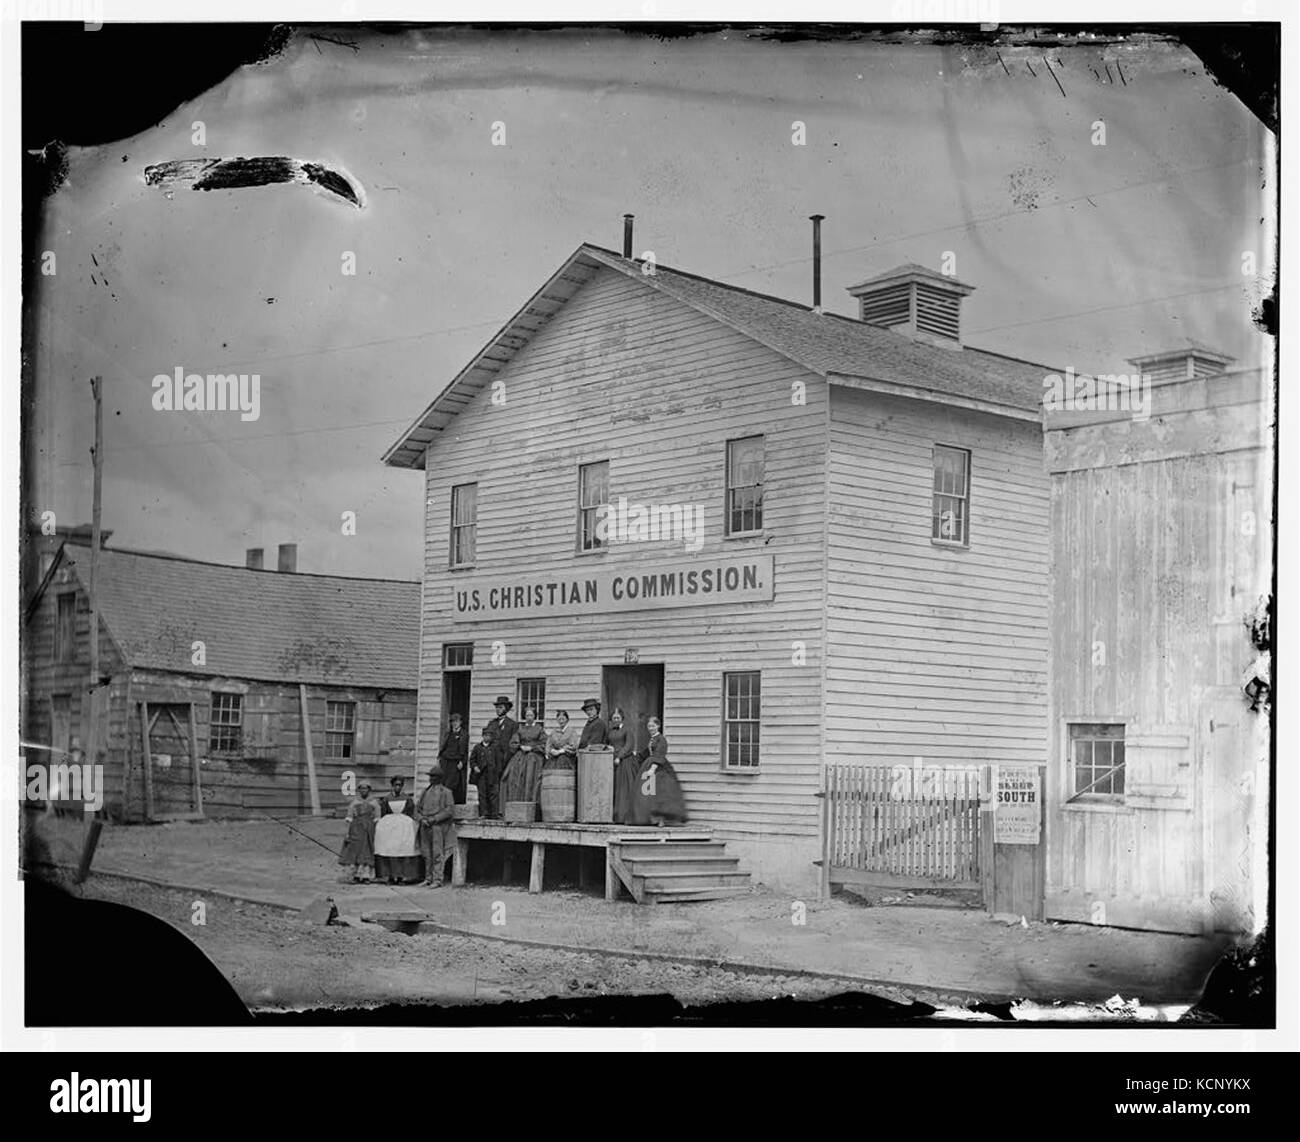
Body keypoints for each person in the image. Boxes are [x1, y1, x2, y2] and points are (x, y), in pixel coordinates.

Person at [635, 716, 687, 826]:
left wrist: (652, 769)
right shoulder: (652, 739)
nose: (651, 728)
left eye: (653, 726)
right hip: (649, 764)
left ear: (658, 726)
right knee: (648, 791)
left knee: (660, 793)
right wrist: (635, 755)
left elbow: (659, 754)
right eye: (649, 726)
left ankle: (662, 819)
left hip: (659, 768)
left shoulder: (661, 739)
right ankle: (652, 818)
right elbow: (647, 752)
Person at [374, 775, 423, 884]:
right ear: (392, 786)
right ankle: (390, 876)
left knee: (402, 850)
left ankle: (401, 876)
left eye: (400, 785)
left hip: (404, 826)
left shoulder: (407, 798)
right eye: (396, 785)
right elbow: (384, 812)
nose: (398, 787)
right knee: (390, 850)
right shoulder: (387, 798)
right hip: (389, 826)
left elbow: (410, 812)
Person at [416, 765, 456, 887]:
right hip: (425, 825)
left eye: (433, 776)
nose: (431, 779)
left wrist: (434, 819)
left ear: (440, 778)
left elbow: (449, 810)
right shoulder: (425, 792)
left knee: (437, 853)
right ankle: (428, 878)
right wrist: (421, 819)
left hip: (438, 826)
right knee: (426, 853)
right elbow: (417, 809)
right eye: (430, 776)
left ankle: (437, 879)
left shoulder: (446, 792)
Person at [501, 706, 546, 808]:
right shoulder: (520, 729)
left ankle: (531, 804)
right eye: (527, 715)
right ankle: (515, 804)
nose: (529, 717)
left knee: (531, 775)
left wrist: (532, 748)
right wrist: (520, 746)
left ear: (535, 716)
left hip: (534, 756)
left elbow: (544, 743)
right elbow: (513, 743)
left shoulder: (539, 729)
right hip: (521, 754)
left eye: (531, 715)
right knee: (512, 774)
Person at [486, 696, 518, 819]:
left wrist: (508, 756)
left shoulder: (512, 725)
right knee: (491, 785)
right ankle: (492, 812)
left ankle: (502, 811)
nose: (498, 709)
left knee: (503, 785)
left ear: (507, 708)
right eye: (497, 707)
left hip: (505, 759)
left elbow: (514, 742)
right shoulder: (491, 724)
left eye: (501, 707)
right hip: (491, 759)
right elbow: (487, 740)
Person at [338, 781, 378, 882]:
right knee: (356, 850)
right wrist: (348, 831)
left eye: (366, 788)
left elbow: (377, 816)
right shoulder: (355, 802)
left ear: (369, 790)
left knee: (367, 850)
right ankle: (356, 875)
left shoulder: (374, 802)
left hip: (369, 828)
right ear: (359, 790)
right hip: (356, 828)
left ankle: (366, 875)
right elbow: (350, 816)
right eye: (361, 788)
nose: (364, 790)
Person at [608, 708, 639, 825]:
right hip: (612, 762)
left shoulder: (627, 730)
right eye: (614, 718)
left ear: (622, 719)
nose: (616, 720)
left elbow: (629, 746)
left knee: (624, 789)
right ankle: (615, 816)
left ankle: (625, 817)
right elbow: (609, 744)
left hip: (625, 762)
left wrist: (619, 757)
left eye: (618, 718)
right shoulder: (611, 731)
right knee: (615, 788)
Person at [437, 712, 469, 805]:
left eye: (457, 721)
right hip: (445, 761)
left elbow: (466, 751)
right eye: (453, 722)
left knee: (452, 784)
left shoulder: (464, 735)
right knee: (443, 783)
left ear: (461, 722)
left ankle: (450, 804)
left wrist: (462, 762)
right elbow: (443, 747)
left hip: (455, 763)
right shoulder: (448, 733)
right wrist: (439, 758)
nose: (455, 723)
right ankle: (442, 804)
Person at [469, 725, 497, 817]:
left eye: (489, 735)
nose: (487, 737)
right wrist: (475, 767)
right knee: (482, 794)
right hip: (481, 775)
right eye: (485, 735)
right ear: (482, 736)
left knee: (492, 794)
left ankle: (493, 814)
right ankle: (483, 813)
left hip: (492, 775)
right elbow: (472, 760)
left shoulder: (494, 748)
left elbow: (498, 761)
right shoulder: (477, 747)